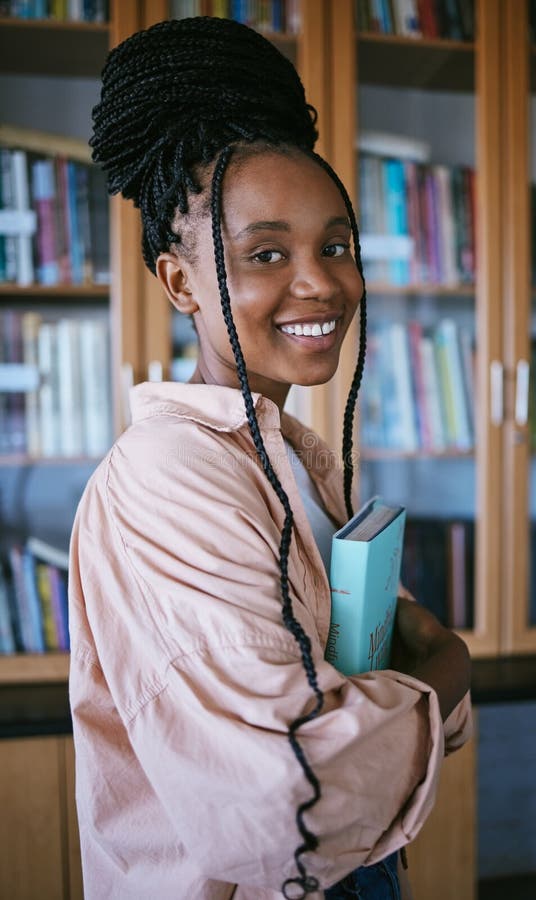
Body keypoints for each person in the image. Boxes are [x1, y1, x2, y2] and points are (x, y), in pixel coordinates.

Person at [68, 16, 472, 900]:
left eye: (335, 245)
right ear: (179, 283)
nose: (321, 281)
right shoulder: (170, 474)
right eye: (266, 255)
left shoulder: (293, 455)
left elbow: (382, 663)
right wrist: (449, 674)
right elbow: (291, 789)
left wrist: (415, 681)